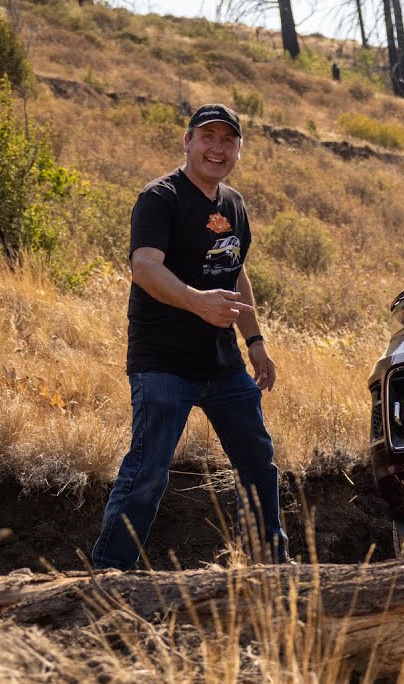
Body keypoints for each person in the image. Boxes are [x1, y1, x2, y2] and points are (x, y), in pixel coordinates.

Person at [92, 103, 287, 569]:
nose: (217, 149)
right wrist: (197, 302)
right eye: (207, 137)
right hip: (162, 362)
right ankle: (110, 575)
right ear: (187, 141)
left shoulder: (234, 204)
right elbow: (145, 267)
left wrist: (255, 341)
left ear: (238, 149)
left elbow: (236, 271)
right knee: (148, 472)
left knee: (258, 463)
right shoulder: (161, 197)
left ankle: (268, 566)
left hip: (222, 364)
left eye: (227, 140)